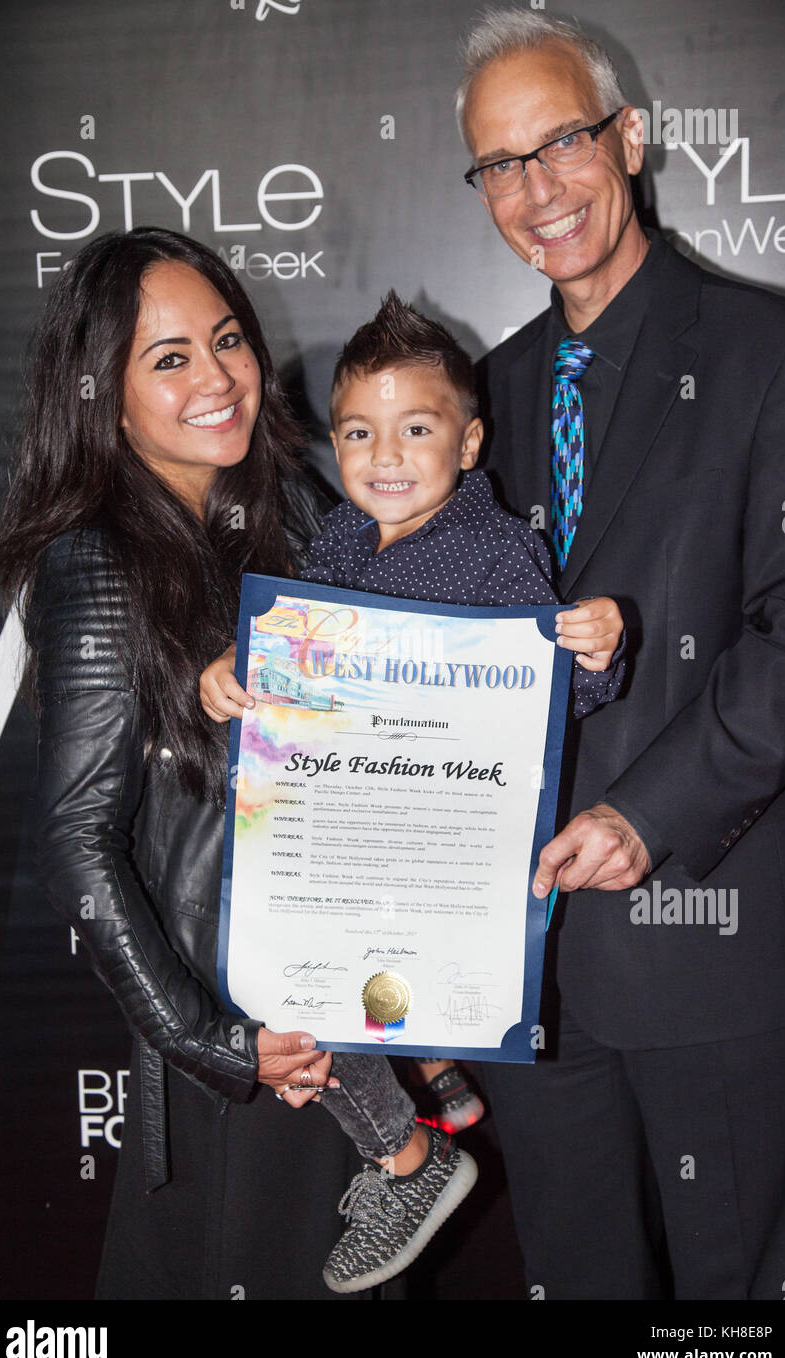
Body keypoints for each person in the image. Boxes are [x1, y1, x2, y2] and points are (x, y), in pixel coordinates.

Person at [456, 9, 785, 1298]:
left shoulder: (776, 356)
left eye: (558, 142)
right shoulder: (477, 397)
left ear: (630, 135)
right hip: (521, 978)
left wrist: (642, 814)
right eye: (498, 163)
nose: (534, 190)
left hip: (707, 955)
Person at [199, 289, 627, 1292]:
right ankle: (424, 1090)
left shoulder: (495, 552)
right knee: (282, 969)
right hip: (354, 830)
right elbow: (297, 655)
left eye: (416, 428)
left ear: (467, 443)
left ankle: (406, 1153)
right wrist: (236, 665)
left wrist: (599, 649)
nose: (384, 455)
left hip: (448, 846)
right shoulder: (341, 540)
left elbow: (561, 689)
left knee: (310, 985)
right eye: (358, 432)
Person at [0, 226, 394, 1300]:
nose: (217, 377)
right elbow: (76, 845)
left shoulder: (294, 507)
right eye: (167, 358)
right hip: (250, 1050)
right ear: (103, 395)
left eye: (226, 340)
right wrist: (214, 1041)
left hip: (341, 1020)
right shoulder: (99, 556)